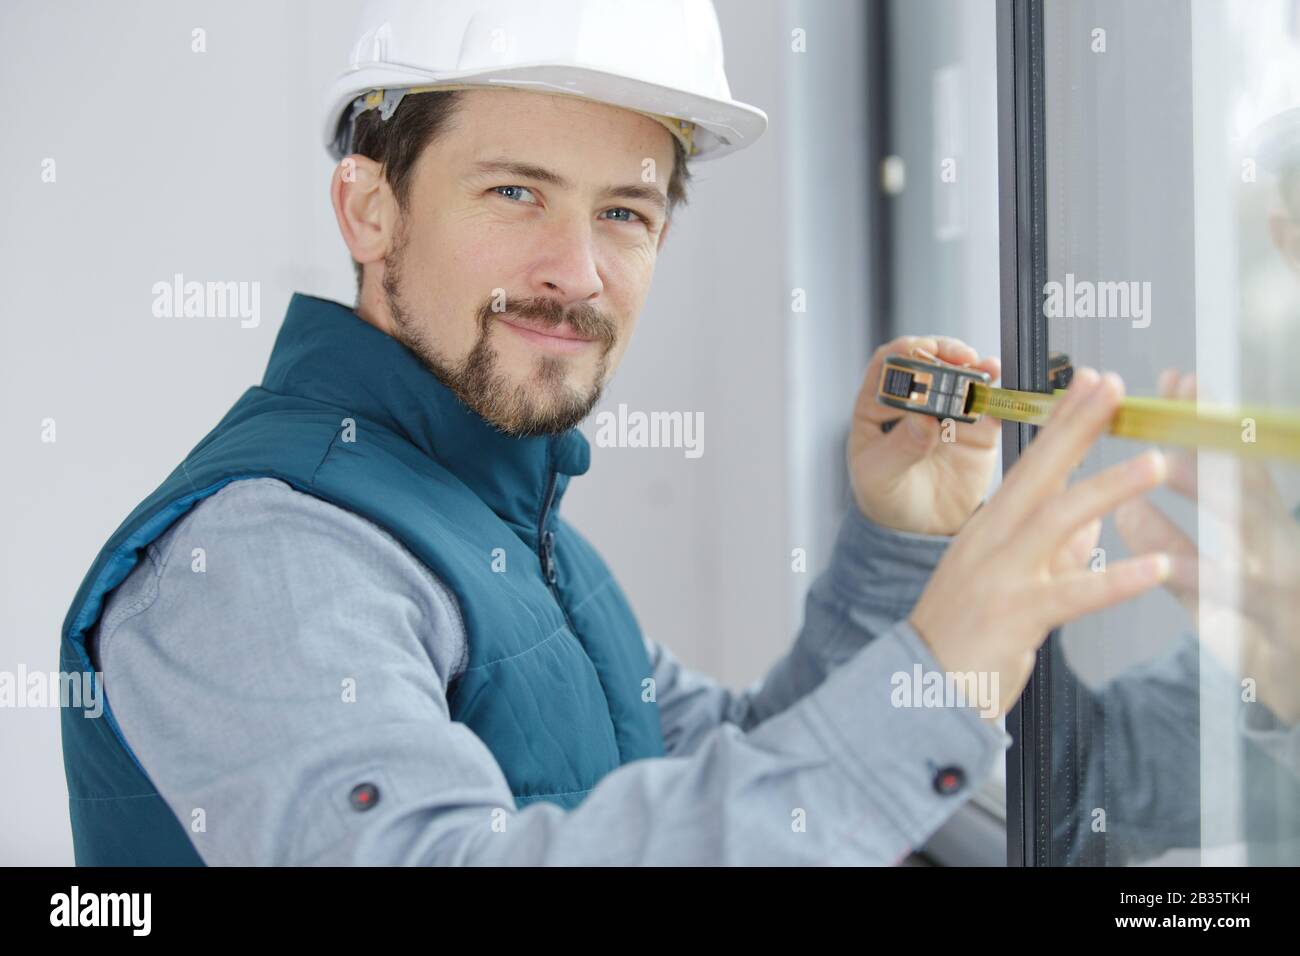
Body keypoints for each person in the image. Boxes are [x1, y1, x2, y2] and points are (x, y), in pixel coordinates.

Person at [60, 0, 1171, 865]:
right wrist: (944, 669)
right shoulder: (270, 554)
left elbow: (726, 768)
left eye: (624, 213)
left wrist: (896, 544)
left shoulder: (511, 527)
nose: (576, 271)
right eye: (513, 193)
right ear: (369, 208)